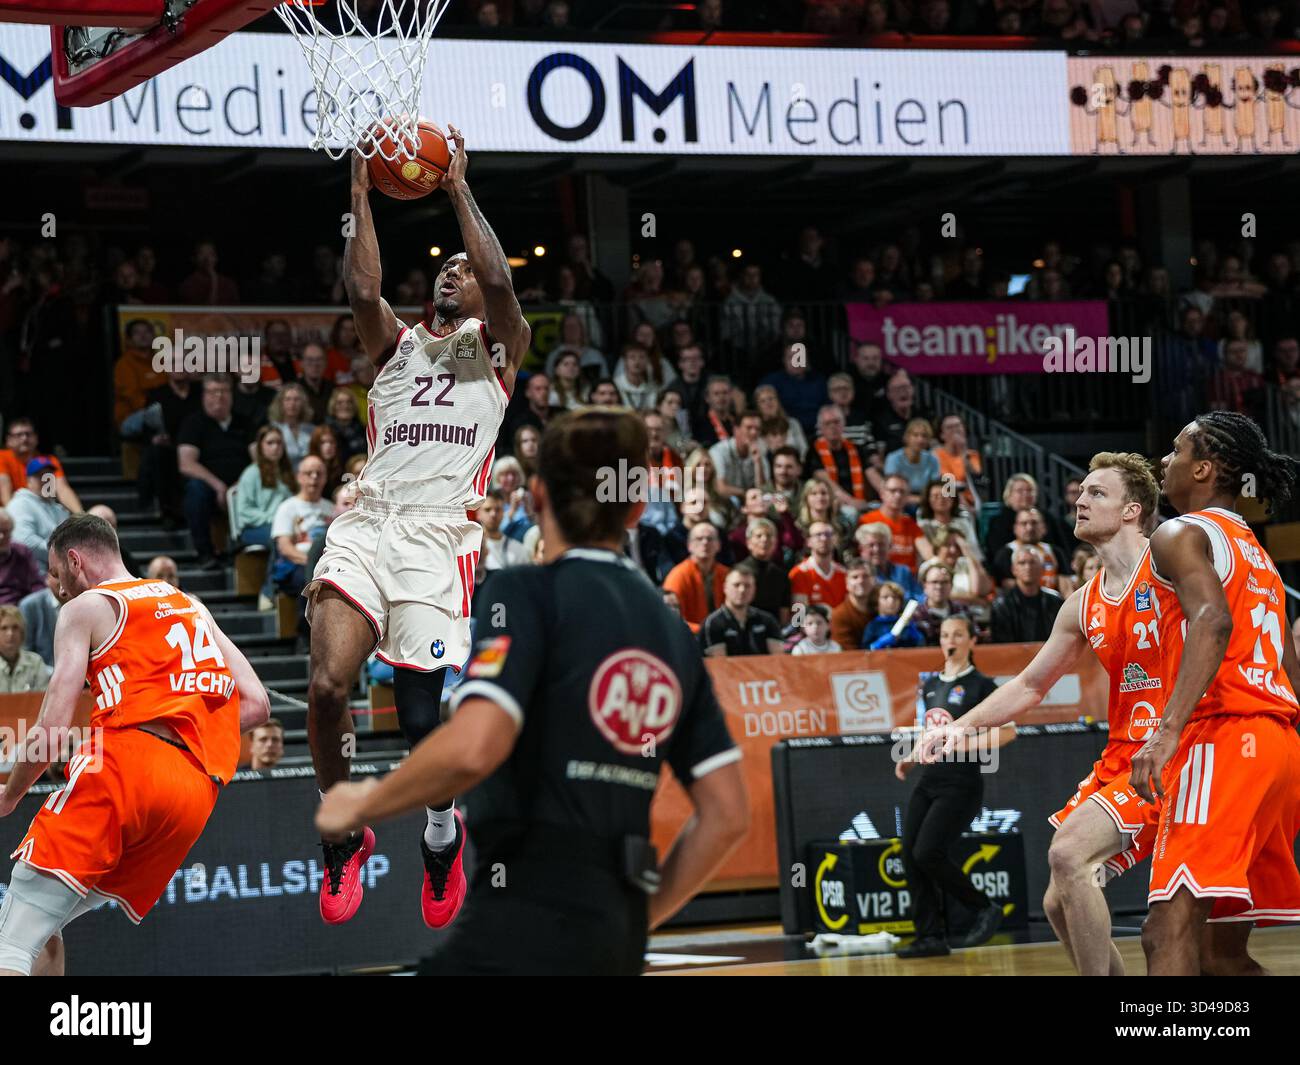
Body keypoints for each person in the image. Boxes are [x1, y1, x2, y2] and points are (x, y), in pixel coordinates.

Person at [316, 409, 749, 975]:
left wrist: (362, 801)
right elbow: (727, 816)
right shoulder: (673, 630)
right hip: (616, 937)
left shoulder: (525, 593)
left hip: (522, 919)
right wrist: (636, 919)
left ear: (538, 497)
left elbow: (475, 746)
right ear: (638, 506)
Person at [304, 129, 531, 929]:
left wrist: (456, 188)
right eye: (444, 266)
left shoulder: (498, 351)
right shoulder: (397, 349)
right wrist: (361, 193)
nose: (453, 271)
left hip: (441, 541)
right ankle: (343, 830)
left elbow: (501, 277)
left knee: (422, 721)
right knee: (328, 688)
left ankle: (441, 835)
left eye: (460, 270)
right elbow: (363, 291)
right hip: (371, 525)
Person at [923, 451, 1258, 977]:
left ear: (1132, 510)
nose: (1080, 500)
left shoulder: (1170, 559)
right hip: (1122, 753)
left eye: (1096, 493)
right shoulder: (1080, 603)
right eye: (1080, 493)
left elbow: (1222, 614)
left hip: (1178, 748)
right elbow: (1032, 684)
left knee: (1070, 853)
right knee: (1058, 900)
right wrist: (960, 724)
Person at [0, 514, 269, 977]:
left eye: (55, 571)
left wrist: (9, 796)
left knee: (12, 940)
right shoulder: (188, 603)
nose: (54, 584)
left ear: (74, 559)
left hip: (124, 768)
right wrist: (180, 727)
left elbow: (52, 728)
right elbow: (258, 703)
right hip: (190, 793)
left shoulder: (85, 608)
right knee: (39, 927)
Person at [1130, 413, 1300, 976]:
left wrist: (1166, 729)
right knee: (1220, 954)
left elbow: (1212, 619)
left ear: (1204, 468)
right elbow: (1288, 666)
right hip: (1276, 745)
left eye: (1177, 450)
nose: (1164, 461)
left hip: (1223, 737)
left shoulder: (1181, 532)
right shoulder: (1255, 550)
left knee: (1165, 933)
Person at [894, 616, 1008, 957]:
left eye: (958, 634)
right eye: (944, 634)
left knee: (928, 851)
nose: (950, 640)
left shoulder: (982, 686)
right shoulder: (929, 685)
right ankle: (929, 936)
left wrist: (959, 746)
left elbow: (1007, 732)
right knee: (910, 855)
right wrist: (912, 757)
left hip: (961, 783)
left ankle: (983, 907)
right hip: (930, 779)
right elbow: (929, 732)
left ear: (972, 641)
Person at [177, 375, 252, 569]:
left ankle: (245, 552)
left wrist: (240, 484)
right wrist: (219, 486)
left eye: (224, 391)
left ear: (232, 394)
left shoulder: (244, 422)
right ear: (204, 395)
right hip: (209, 486)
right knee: (195, 490)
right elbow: (186, 464)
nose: (218, 397)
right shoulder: (193, 423)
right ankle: (205, 552)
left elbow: (259, 459)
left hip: (241, 485)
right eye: (212, 392)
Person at [270, 455, 334, 599]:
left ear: (325, 478)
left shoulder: (331, 508)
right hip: (297, 565)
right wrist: (312, 562)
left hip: (327, 565)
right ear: (299, 477)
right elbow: (285, 548)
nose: (314, 477)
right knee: (306, 579)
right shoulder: (287, 508)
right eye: (309, 473)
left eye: (319, 473)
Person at [804, 405, 880, 521]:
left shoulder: (856, 448)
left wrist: (888, 493)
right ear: (820, 428)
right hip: (831, 504)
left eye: (836, 422)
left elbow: (872, 474)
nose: (833, 427)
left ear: (844, 424)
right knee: (851, 513)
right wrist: (851, 501)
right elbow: (827, 482)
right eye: (827, 423)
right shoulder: (813, 450)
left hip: (859, 501)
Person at [231, 426, 295, 551]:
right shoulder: (252, 473)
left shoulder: (287, 472)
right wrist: (272, 518)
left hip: (284, 524)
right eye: (270, 443)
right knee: (281, 538)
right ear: (261, 446)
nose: (275, 447)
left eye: (279, 443)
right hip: (255, 528)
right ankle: (277, 571)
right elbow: (244, 510)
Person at [0, 419, 82, 514]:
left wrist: (81, 516)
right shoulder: (2, 457)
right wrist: (14, 517)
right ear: (8, 440)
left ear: (36, 438)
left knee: (101, 511)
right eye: (19, 435)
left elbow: (62, 489)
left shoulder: (48, 461)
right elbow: (3, 486)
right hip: (9, 515)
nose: (24, 438)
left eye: (28, 434)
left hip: (45, 513)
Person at [699, 569, 784, 657]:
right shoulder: (713, 623)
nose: (742, 590)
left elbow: (778, 659)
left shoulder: (767, 620)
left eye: (747, 586)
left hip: (765, 670)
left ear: (754, 589)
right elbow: (720, 663)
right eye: (736, 585)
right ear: (725, 588)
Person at [662, 522, 729, 632]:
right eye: (699, 539)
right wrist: (703, 632)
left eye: (710, 539)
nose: (705, 543)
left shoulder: (727, 575)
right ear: (689, 546)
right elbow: (673, 619)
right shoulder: (678, 576)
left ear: (719, 545)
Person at [7, 460, 72, 573]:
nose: (46, 480)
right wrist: (63, 555)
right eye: (40, 476)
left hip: (60, 573)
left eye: (49, 475)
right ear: (28, 481)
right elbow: (24, 541)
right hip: (32, 576)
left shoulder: (57, 509)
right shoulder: (20, 504)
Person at [990, 549, 1063, 643]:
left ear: (1042, 569)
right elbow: (1001, 643)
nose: (1028, 567)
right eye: (1022, 563)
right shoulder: (1001, 604)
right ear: (1013, 569)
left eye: (1033, 562)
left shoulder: (1055, 600)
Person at [858, 474, 927, 571]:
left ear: (907, 496)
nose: (898, 495)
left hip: (907, 580)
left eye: (902, 492)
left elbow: (927, 553)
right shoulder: (867, 521)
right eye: (893, 491)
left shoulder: (911, 524)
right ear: (882, 493)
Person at [734, 518, 793, 626]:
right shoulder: (737, 573)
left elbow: (784, 612)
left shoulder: (781, 575)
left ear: (775, 542)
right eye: (759, 536)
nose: (764, 539)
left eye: (769, 535)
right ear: (749, 542)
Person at [911, 560, 974, 645]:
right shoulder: (915, 615)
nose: (939, 586)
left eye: (944, 582)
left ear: (951, 585)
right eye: (934, 582)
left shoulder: (963, 611)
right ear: (925, 585)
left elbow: (974, 639)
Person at [855, 523, 923, 601]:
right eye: (871, 545)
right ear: (861, 549)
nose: (876, 549)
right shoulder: (859, 577)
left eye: (881, 544)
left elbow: (920, 597)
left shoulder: (903, 571)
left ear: (890, 546)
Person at [789, 522, 847, 609]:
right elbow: (798, 618)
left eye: (828, 534)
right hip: (810, 622)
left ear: (835, 540)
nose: (824, 538)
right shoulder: (799, 573)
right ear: (808, 541)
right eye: (818, 535)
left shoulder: (844, 573)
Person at [884, 419, 941, 503]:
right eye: (915, 435)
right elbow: (892, 490)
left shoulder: (933, 459)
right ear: (907, 437)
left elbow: (935, 487)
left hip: (926, 502)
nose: (920, 440)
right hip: (900, 500)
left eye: (924, 436)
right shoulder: (893, 458)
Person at [478, 490, 532, 572]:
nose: (493, 514)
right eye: (487, 510)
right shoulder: (471, 549)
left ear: (503, 512)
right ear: (478, 513)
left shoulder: (519, 550)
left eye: (498, 509)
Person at [861, 582, 925, 649]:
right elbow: (864, 651)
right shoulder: (873, 626)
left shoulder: (906, 624)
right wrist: (878, 644)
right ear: (876, 602)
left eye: (895, 597)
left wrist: (915, 633)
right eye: (885, 597)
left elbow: (921, 646)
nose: (891, 601)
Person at [0, 605, 49, 693]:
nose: (10, 633)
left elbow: (44, 698)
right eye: (4, 628)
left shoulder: (36, 662)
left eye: (15, 627)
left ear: (22, 632)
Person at [831, 558, 875, 651]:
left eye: (866, 576)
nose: (861, 581)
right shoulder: (839, 615)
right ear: (847, 583)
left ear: (874, 580)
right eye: (855, 577)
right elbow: (849, 655)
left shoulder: (884, 609)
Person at [0, 509, 42, 606]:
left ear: (11, 532)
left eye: (5, 531)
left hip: (18, 609)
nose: (1, 537)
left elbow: (37, 583)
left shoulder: (21, 552)